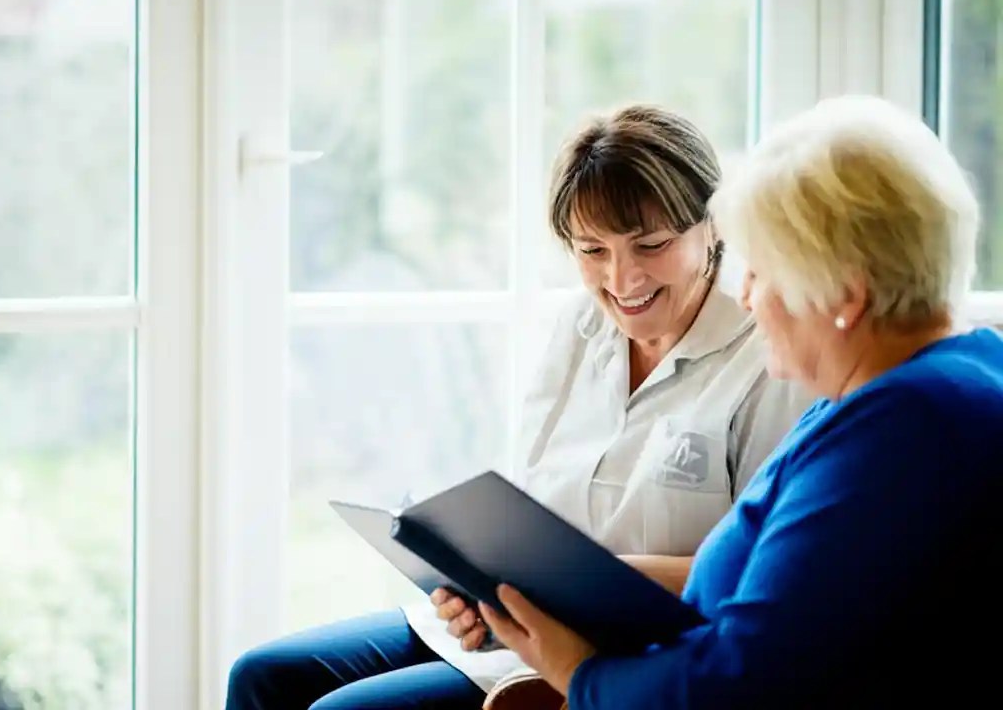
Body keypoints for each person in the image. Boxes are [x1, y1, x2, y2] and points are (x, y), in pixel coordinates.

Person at [225, 105, 810, 709]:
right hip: (516, 619)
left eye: (652, 245)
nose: (622, 278)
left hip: (623, 652)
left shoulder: (770, 355)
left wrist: (567, 587)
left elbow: (761, 570)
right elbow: (529, 505)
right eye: (592, 250)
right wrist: (469, 581)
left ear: (713, 225)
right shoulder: (580, 326)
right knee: (261, 676)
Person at [479, 94, 1003, 709]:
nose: (746, 297)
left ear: (847, 296)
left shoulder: (909, 424)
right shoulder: (911, 389)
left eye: (763, 272)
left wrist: (581, 675)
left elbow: (743, 681)